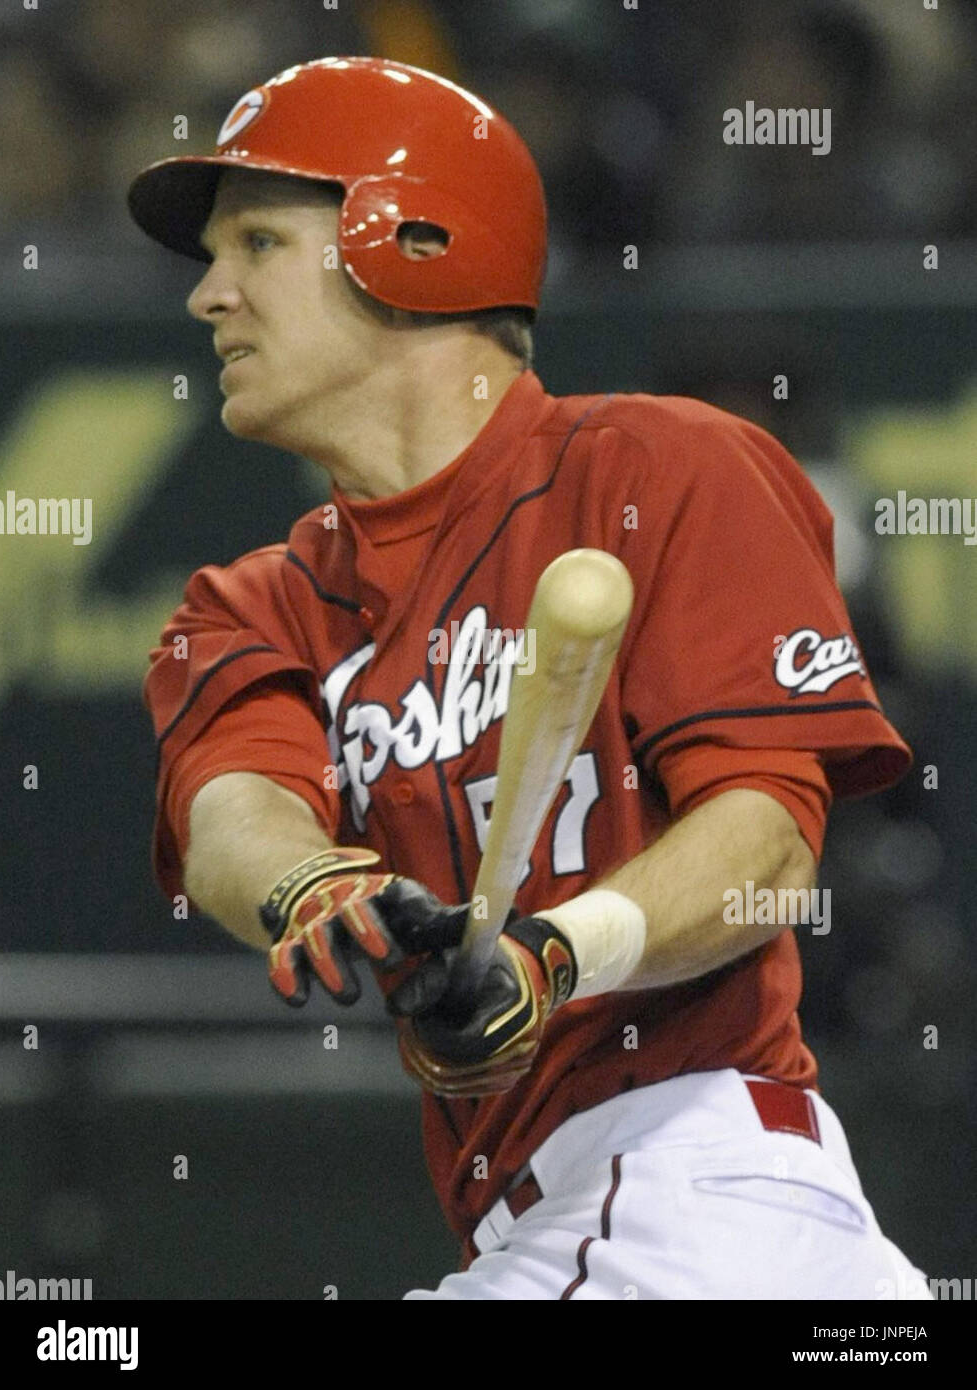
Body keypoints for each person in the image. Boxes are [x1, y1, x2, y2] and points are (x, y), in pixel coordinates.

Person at [129, 56, 933, 1300]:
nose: (209, 295)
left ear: (407, 241)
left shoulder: (665, 469)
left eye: (255, 242)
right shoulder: (252, 604)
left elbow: (771, 849)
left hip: (685, 1188)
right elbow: (236, 811)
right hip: (560, 1227)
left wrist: (553, 956)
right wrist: (313, 884)